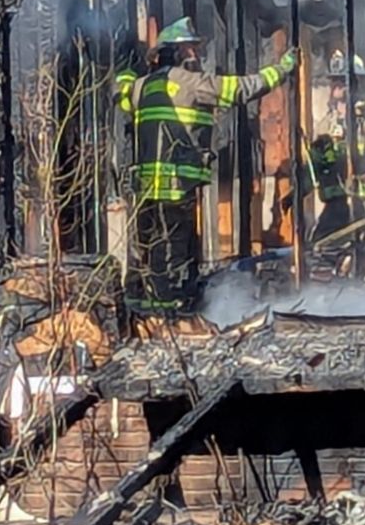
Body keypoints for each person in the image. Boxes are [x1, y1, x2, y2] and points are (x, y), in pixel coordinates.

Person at [116, 18, 298, 315]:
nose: (197, 55)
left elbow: (120, 95)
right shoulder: (190, 83)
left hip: (146, 189)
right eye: (191, 48)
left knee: (150, 251)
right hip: (176, 186)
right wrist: (283, 68)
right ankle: (171, 316)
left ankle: (143, 313)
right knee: (175, 252)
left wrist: (125, 67)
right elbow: (241, 89)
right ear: (178, 52)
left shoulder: (139, 88)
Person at [305, 51, 365, 245]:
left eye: (345, 83)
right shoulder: (325, 127)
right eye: (335, 83)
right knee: (321, 246)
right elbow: (315, 169)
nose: (339, 89)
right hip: (337, 206)